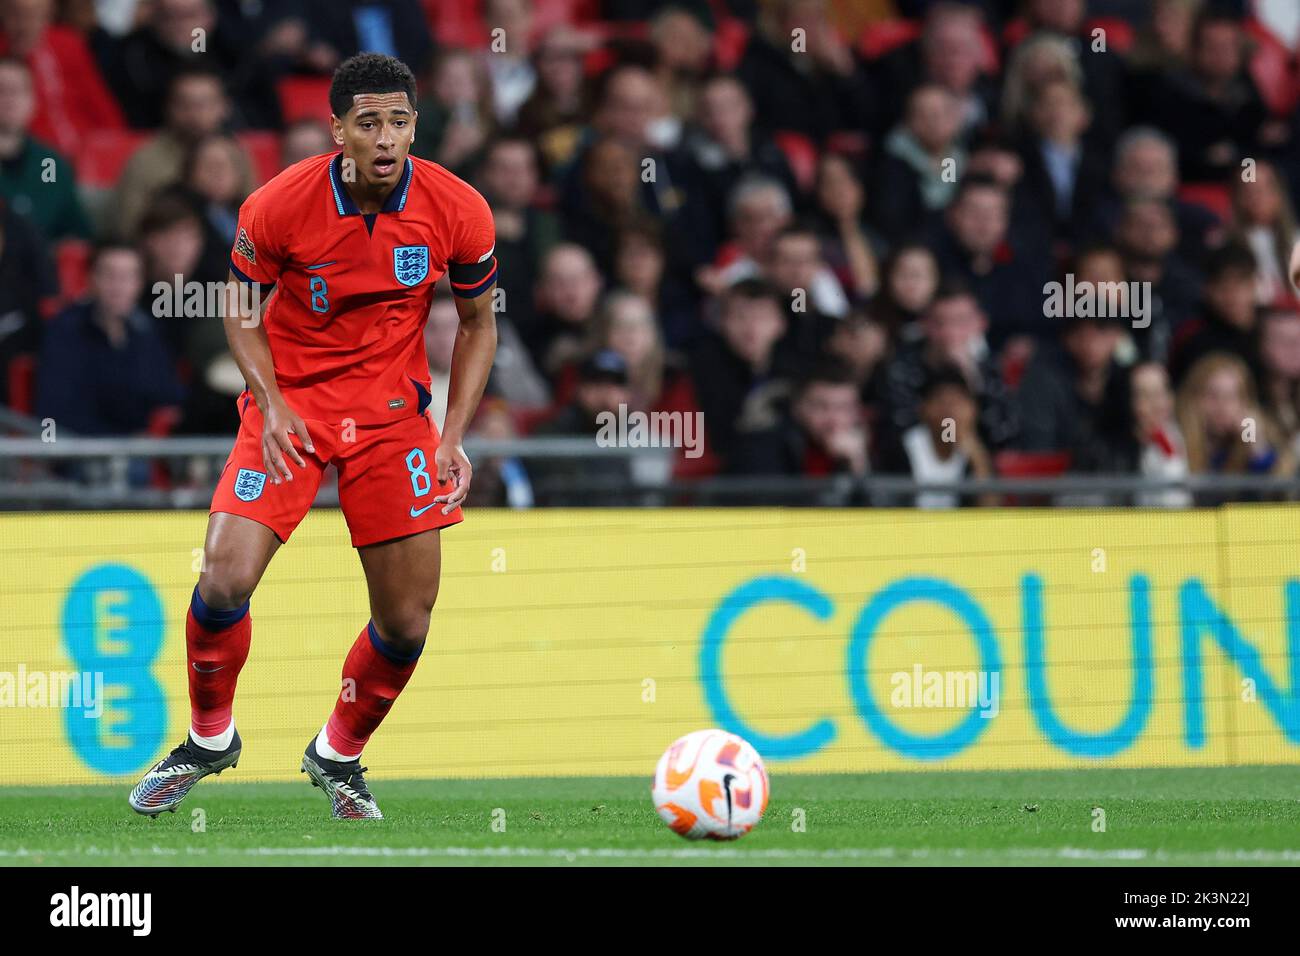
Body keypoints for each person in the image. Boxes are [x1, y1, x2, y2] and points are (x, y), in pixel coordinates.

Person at [128, 54, 499, 821]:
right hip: (290, 408)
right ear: (338, 130)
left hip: (395, 419)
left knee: (407, 620)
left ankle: (339, 754)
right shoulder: (277, 205)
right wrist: (269, 399)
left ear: (415, 126)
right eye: (368, 122)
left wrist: (451, 435)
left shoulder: (460, 208)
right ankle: (207, 739)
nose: (386, 136)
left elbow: (477, 323)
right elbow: (241, 311)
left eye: (399, 121)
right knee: (223, 578)